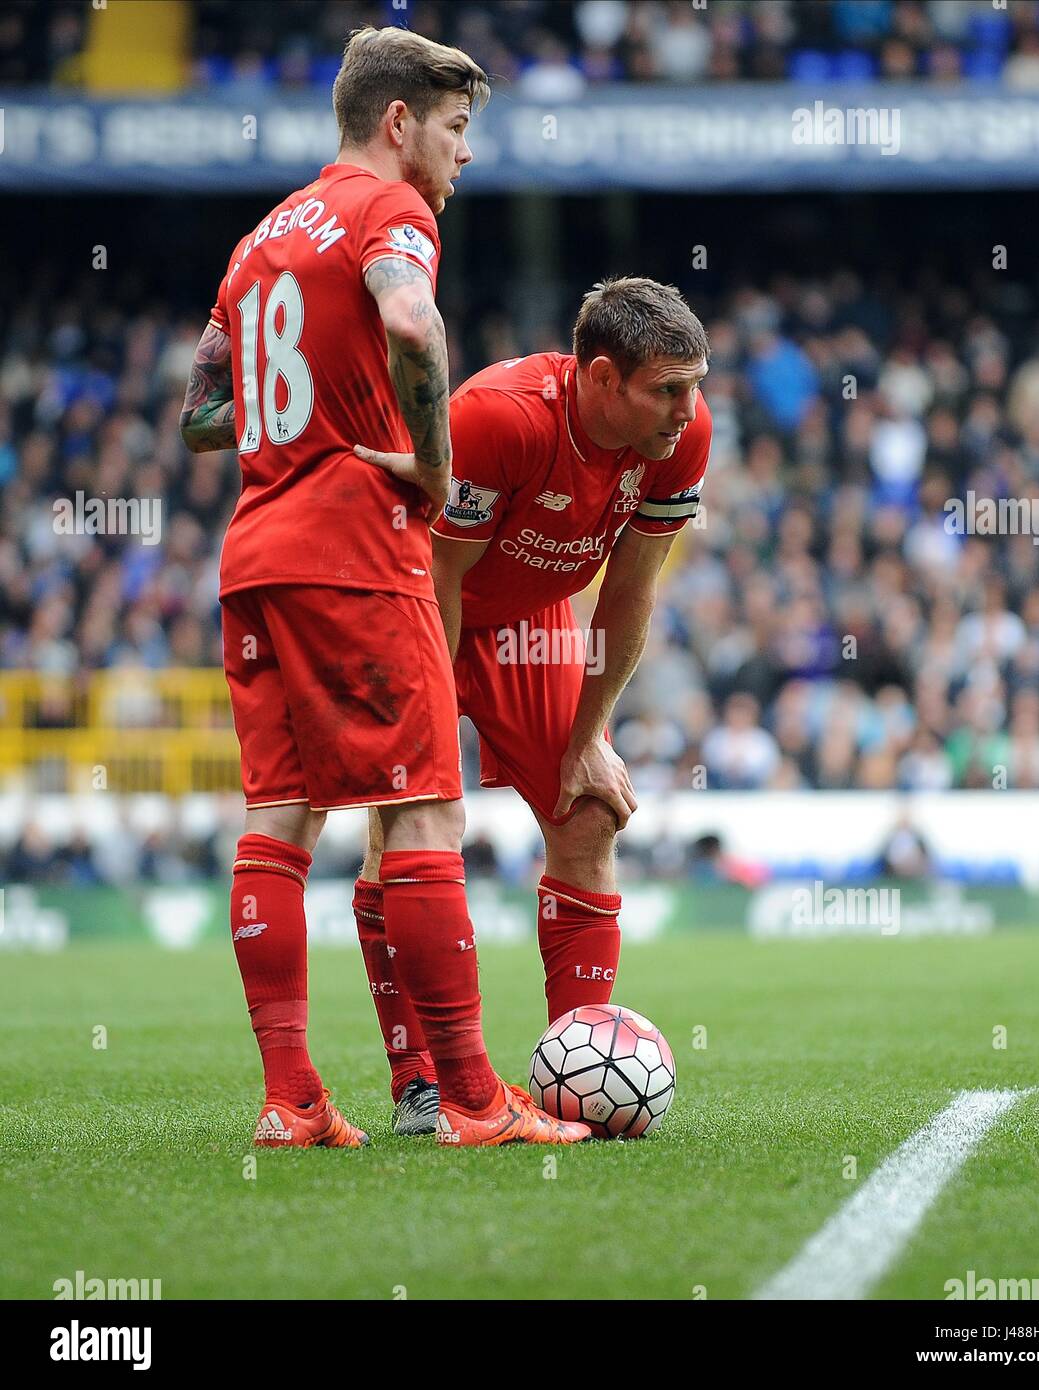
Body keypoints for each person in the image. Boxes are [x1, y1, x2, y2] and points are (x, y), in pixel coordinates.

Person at [180, 25, 588, 1150]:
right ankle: (469, 1099)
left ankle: (293, 1098)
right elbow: (413, 321)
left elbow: (202, 416)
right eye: (457, 130)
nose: (465, 157)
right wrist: (438, 465)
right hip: (357, 550)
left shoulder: (262, 238)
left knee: (278, 820)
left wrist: (293, 419)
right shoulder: (385, 212)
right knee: (422, 810)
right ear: (398, 121)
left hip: (255, 554)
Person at [354, 277, 711, 1133]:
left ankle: (572, 1068)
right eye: (666, 387)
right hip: (415, 603)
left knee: (588, 811)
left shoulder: (682, 436)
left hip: (530, 622)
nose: (686, 407)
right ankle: (420, 1084)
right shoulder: (498, 417)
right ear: (598, 378)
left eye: (693, 383)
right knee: (407, 828)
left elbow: (629, 591)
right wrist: (430, 727)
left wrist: (589, 737)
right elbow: (439, 573)